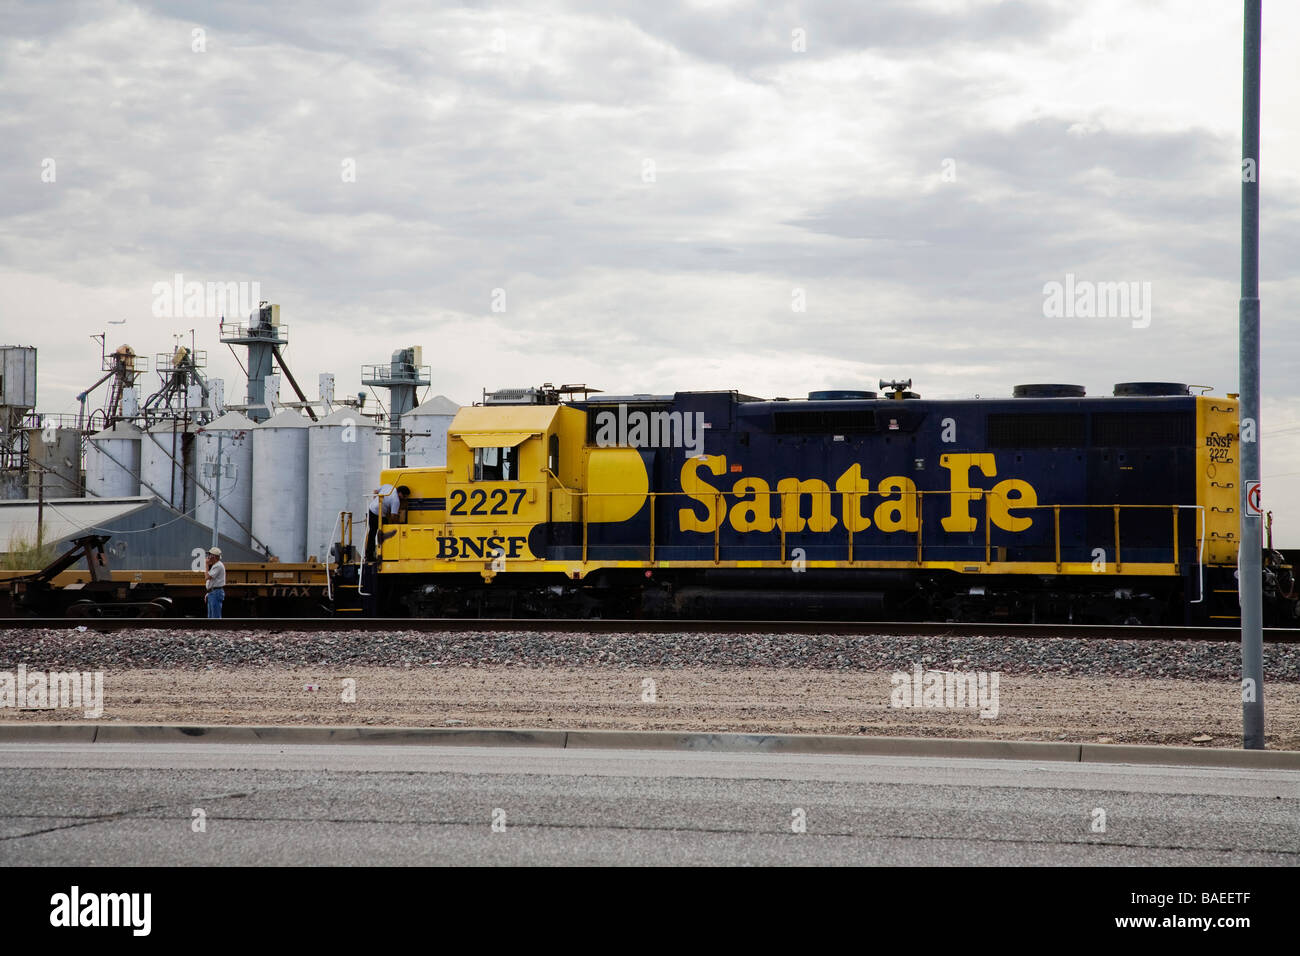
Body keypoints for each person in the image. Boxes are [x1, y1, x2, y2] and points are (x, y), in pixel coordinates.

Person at [366, 484, 409, 562]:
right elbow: (393, 516)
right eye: (405, 496)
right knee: (386, 533)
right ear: (400, 493)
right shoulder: (396, 500)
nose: (404, 498)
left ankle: (369, 555)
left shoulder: (388, 486)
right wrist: (397, 527)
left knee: (372, 533)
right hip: (379, 514)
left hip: (371, 509)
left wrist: (376, 501)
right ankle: (385, 553)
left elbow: (375, 491)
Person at [205, 547, 226, 618]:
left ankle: (216, 629)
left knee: (215, 617)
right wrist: (209, 592)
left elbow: (207, 577)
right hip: (213, 592)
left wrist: (206, 565)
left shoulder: (218, 566)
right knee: (211, 617)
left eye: (209, 555)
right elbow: (212, 582)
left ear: (214, 556)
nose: (208, 557)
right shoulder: (215, 565)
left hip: (216, 593)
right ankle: (213, 629)